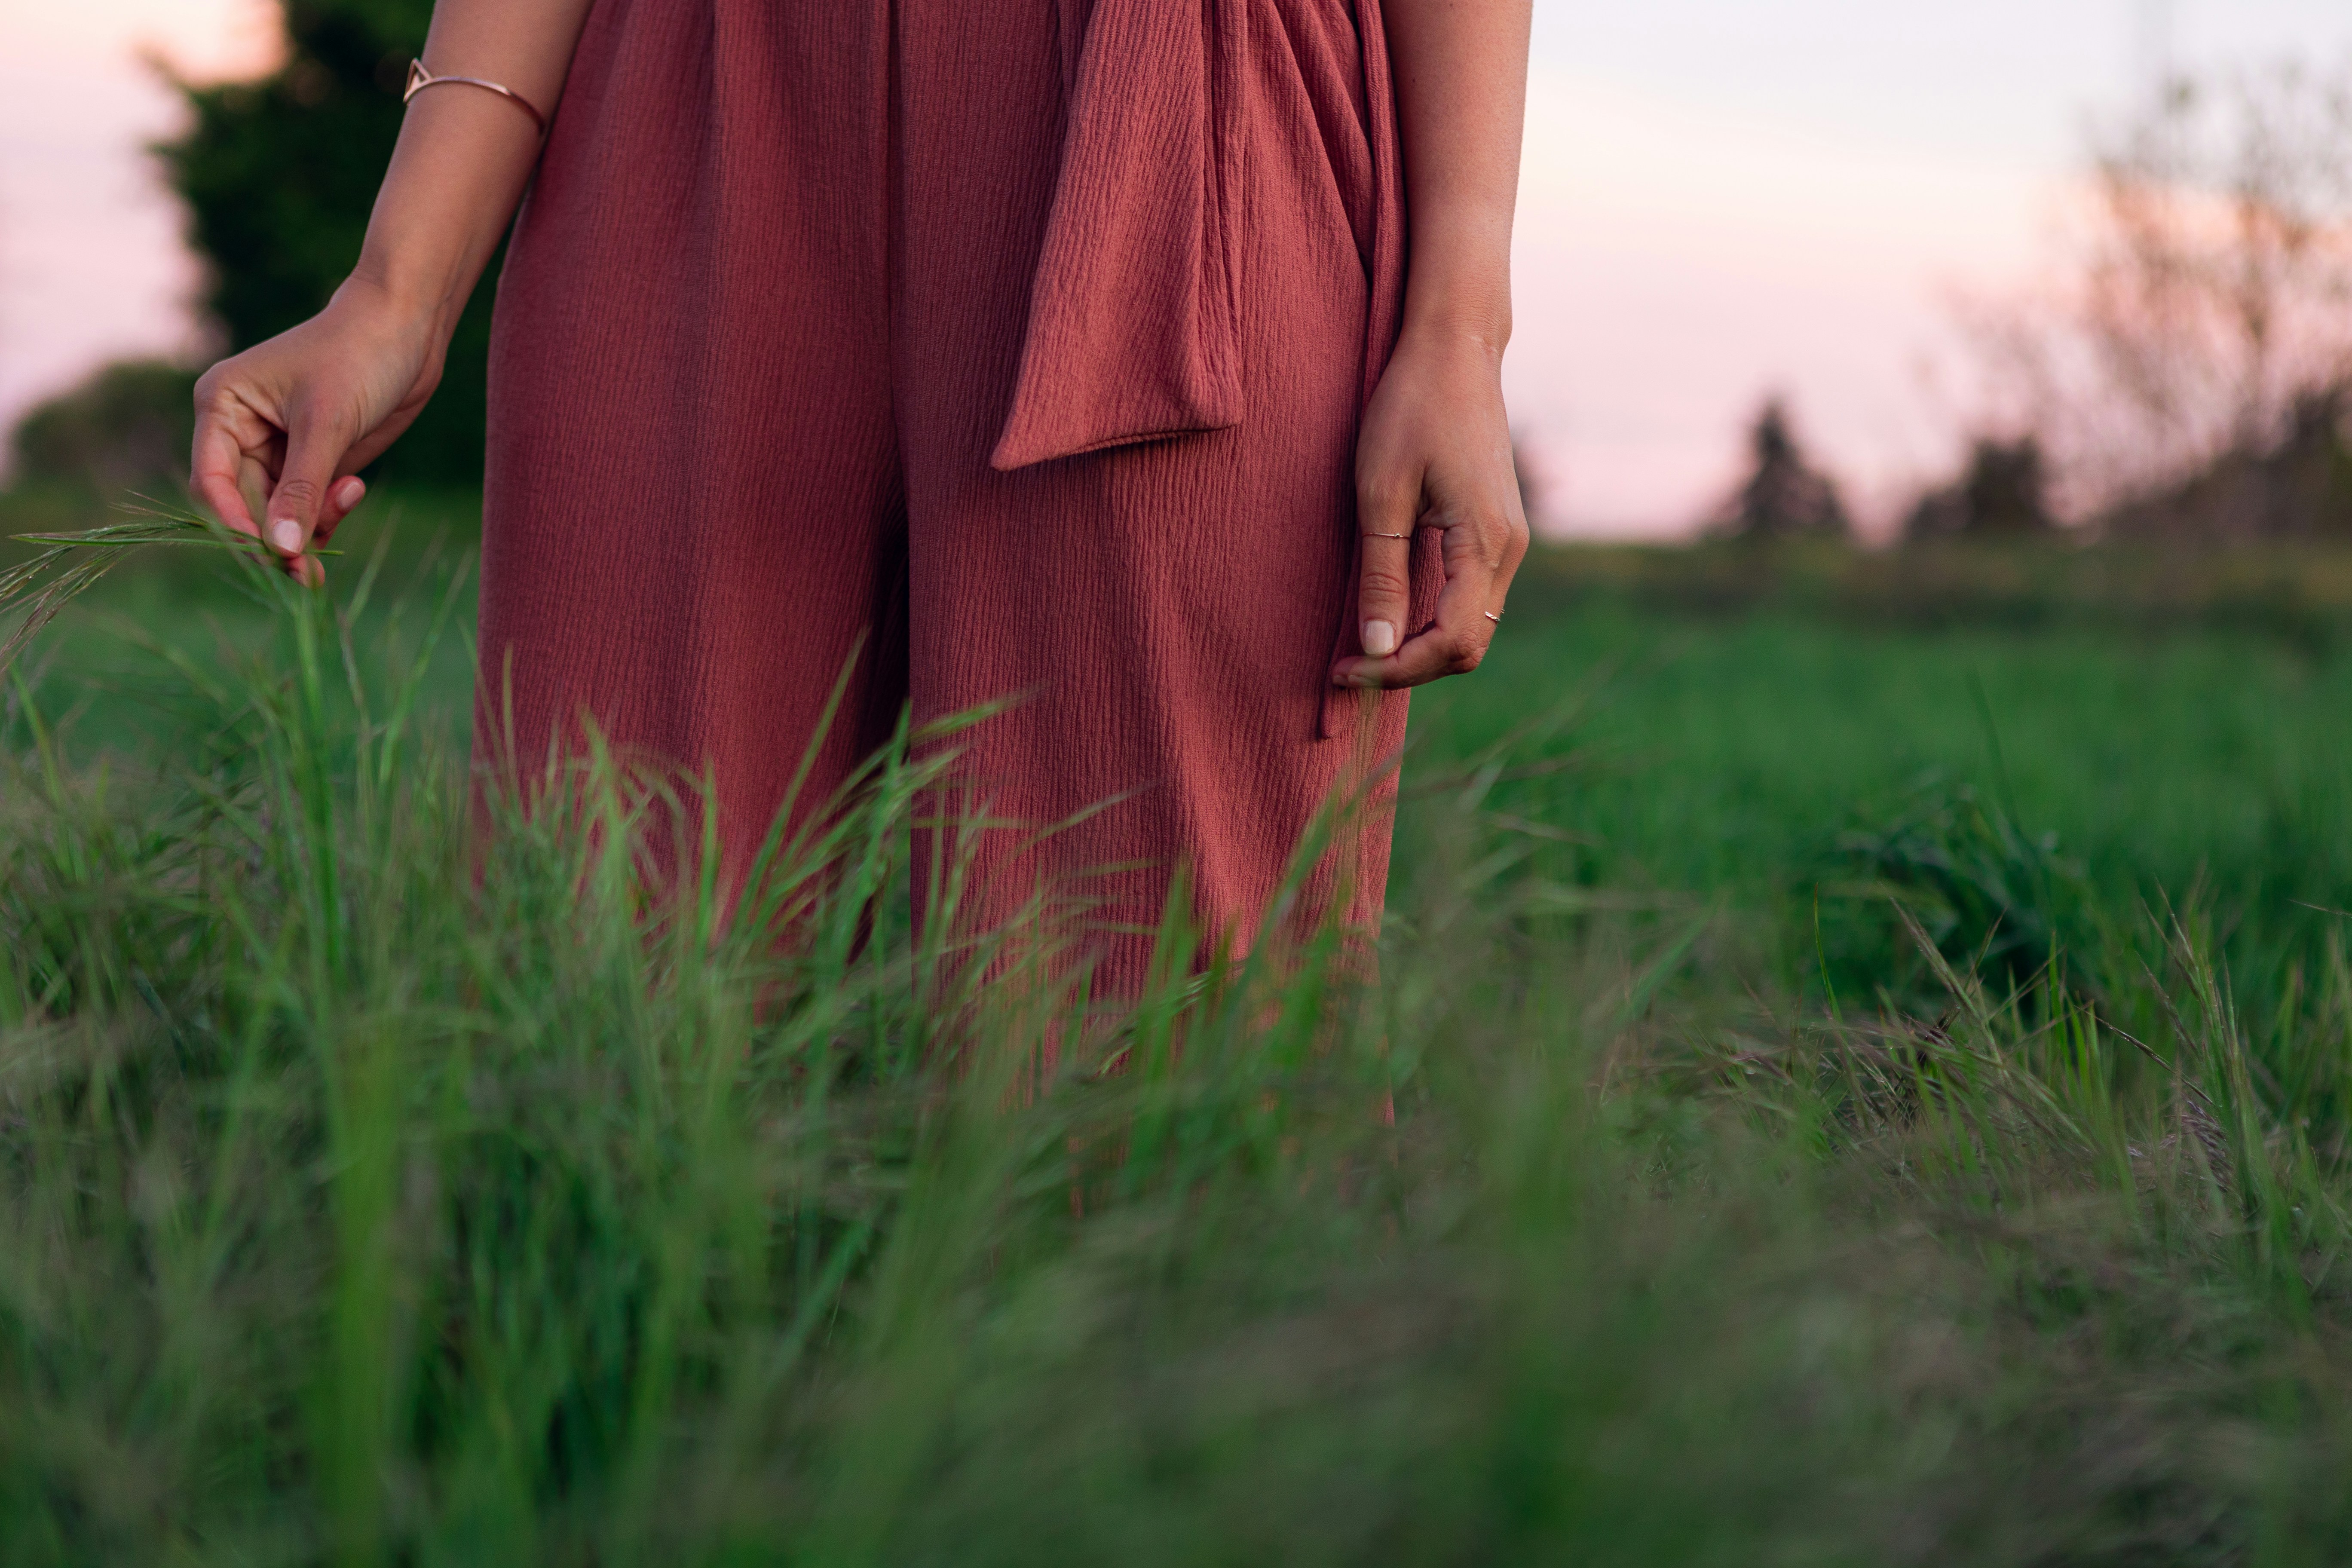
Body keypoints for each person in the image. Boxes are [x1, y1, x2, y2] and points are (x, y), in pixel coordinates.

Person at [189, 0, 1532, 988]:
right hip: (690, 104)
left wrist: (1459, 326)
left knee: (1156, 1045)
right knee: (606, 1003)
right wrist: (396, 290)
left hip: (1167, 106)